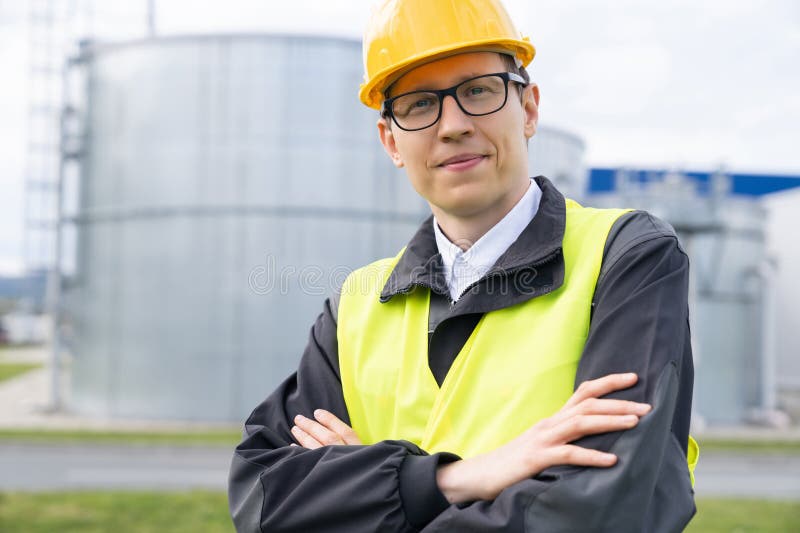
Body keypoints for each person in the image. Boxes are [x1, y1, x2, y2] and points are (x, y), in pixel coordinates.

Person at [228, 0, 699, 531]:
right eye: (419, 103)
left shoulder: (627, 257)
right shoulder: (356, 305)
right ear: (391, 141)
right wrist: (457, 478)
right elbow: (267, 498)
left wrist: (367, 491)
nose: (452, 126)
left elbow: (602, 505)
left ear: (528, 109)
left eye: (477, 90)